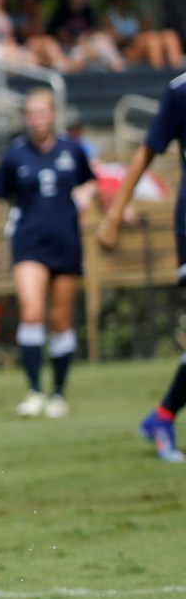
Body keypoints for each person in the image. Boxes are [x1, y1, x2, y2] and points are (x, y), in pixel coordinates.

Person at [0, 89, 96, 419]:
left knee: (60, 320)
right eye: (30, 114)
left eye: (42, 113)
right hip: (29, 243)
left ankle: (58, 393)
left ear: (53, 114)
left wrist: (87, 195)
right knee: (31, 312)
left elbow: (90, 182)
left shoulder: (72, 150)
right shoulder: (14, 155)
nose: (36, 120)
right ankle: (34, 391)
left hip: (66, 243)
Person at [97, 70, 186, 460]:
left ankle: (161, 417)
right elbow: (146, 152)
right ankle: (162, 418)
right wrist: (115, 213)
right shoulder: (180, 91)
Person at [48, 0, 123, 72]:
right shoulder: (61, 11)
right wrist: (75, 40)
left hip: (86, 45)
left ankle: (117, 66)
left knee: (101, 39)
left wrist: (84, 39)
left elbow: (93, 29)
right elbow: (60, 34)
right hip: (67, 47)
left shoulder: (88, 10)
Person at [106, 0, 185, 70]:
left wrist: (147, 25)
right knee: (152, 40)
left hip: (141, 41)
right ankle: (159, 72)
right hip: (126, 48)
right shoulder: (109, 16)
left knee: (169, 35)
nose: (124, 0)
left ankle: (177, 69)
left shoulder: (134, 13)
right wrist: (134, 37)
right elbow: (114, 37)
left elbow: (144, 30)